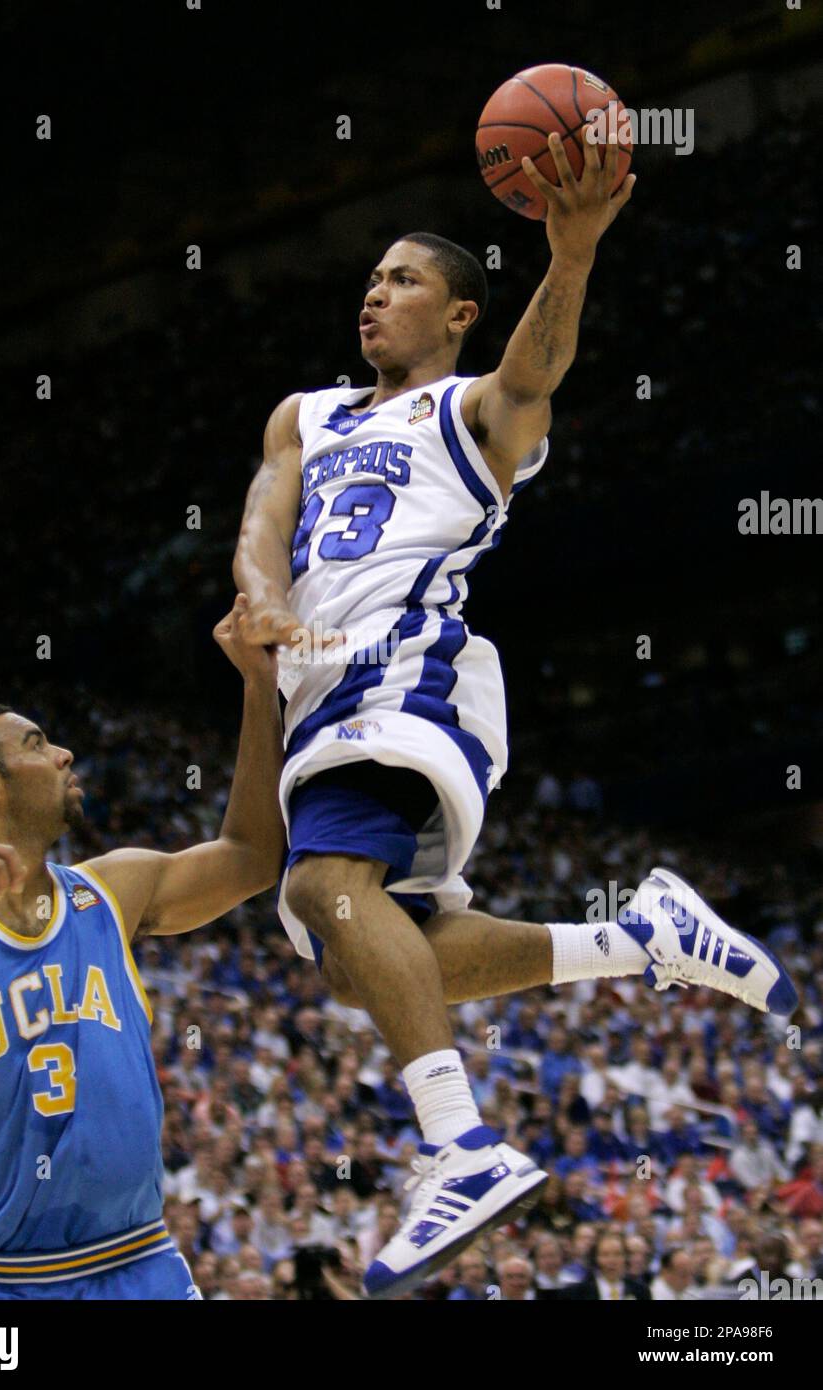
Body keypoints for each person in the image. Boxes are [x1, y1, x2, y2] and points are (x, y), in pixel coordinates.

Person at [233, 129, 797, 1299]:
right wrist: (258, 595)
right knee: (362, 955)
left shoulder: (471, 414)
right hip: (318, 685)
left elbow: (535, 373)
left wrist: (573, 253)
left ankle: (460, 1145)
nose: (373, 292)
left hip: (412, 664)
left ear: (457, 315)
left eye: (402, 279)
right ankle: (639, 941)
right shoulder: (306, 414)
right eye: (370, 277)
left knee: (318, 887)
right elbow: (262, 511)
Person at [0, 596, 284, 1300]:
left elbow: (250, 856)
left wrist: (258, 686)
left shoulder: (112, 889)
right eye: (35, 744)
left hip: (137, 1266)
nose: (63, 753)